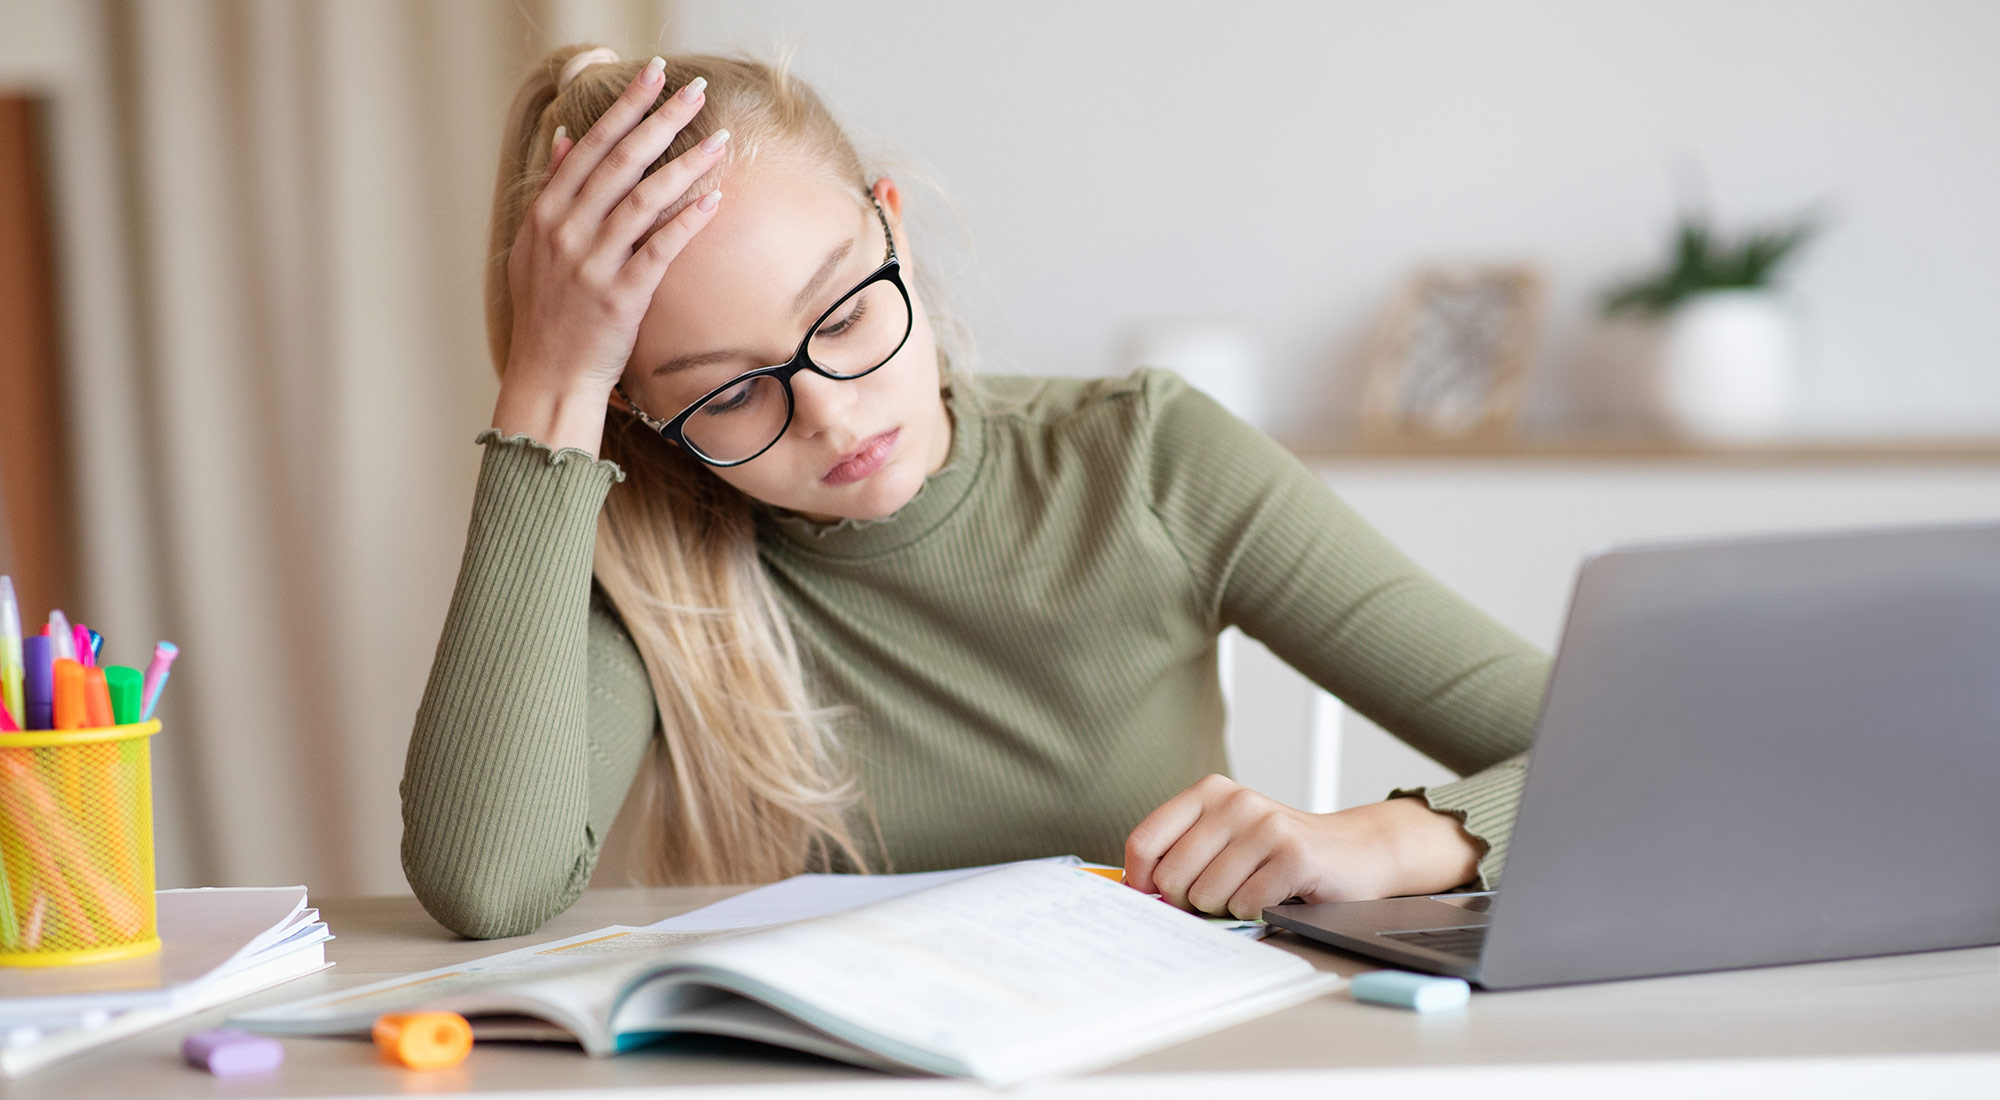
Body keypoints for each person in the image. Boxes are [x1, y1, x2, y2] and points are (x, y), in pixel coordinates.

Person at [400, 45, 1550, 940]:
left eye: (844, 315)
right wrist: (547, 387)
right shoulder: (645, 544)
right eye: (734, 394)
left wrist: (1399, 840)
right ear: (637, 412)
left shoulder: (1143, 459)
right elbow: (487, 881)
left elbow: (1616, 748)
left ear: (891, 223)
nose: (832, 415)